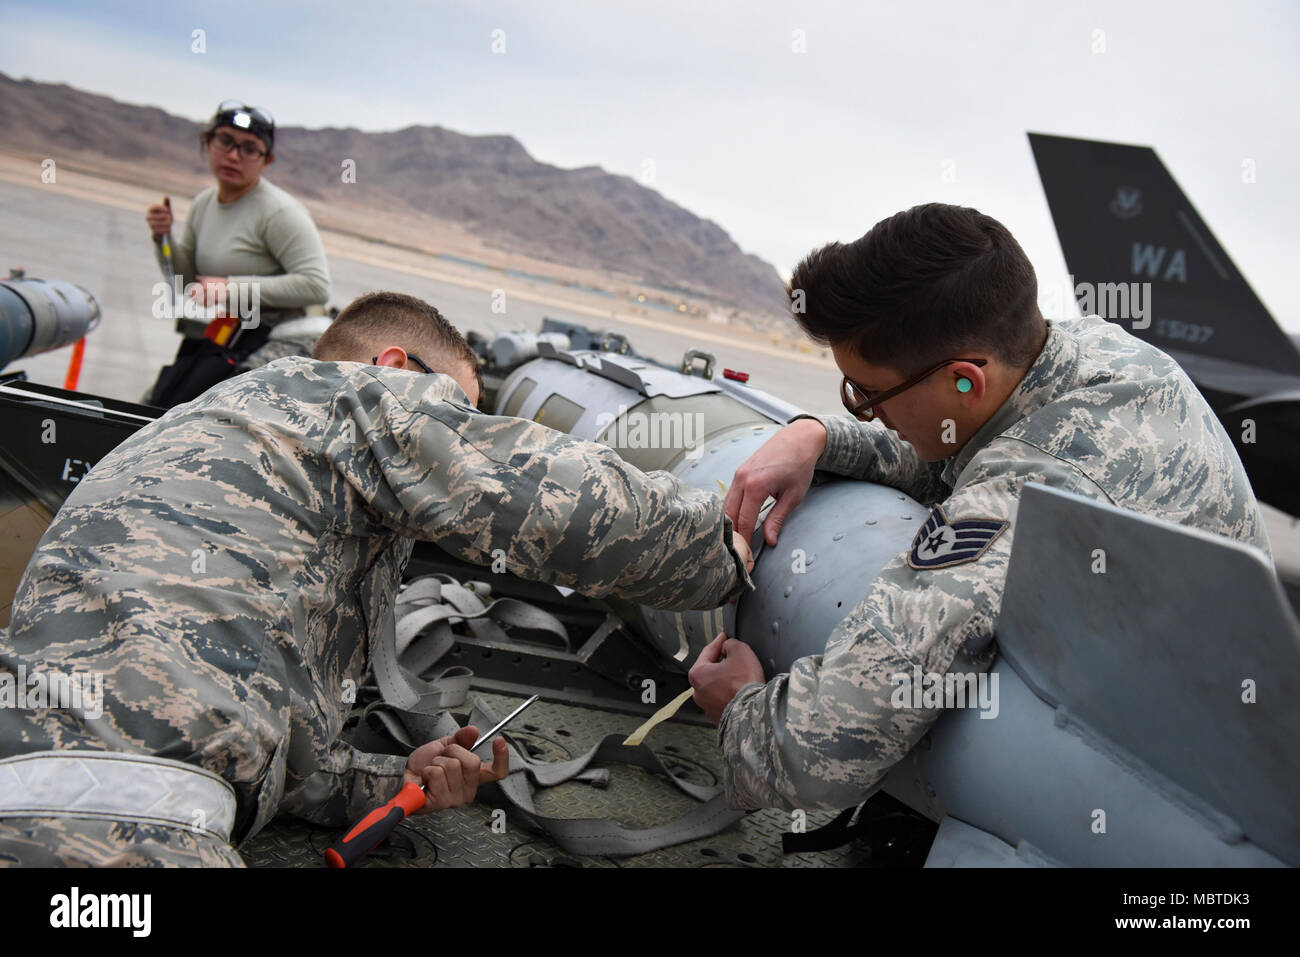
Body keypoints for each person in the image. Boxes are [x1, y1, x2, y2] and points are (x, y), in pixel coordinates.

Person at [0, 291, 753, 867]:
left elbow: (225, 718)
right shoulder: (351, 398)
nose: (453, 430)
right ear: (395, 367)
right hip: (123, 833)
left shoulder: (212, 428)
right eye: (456, 410)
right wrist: (725, 553)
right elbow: (557, 499)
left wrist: (393, 781)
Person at [689, 203, 1270, 813]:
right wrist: (822, 437)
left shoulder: (1033, 492)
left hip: (1190, 793)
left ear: (966, 380)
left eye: (869, 394)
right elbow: (962, 446)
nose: (868, 412)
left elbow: (819, 754)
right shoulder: (1095, 352)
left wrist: (741, 708)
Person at [143, 100, 331, 407]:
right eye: (225, 141)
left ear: (266, 160)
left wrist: (230, 288)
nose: (233, 155)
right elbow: (186, 282)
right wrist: (162, 238)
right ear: (208, 142)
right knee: (158, 404)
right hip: (232, 333)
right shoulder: (203, 204)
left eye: (249, 149)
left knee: (214, 413)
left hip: (283, 340)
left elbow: (316, 285)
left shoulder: (280, 212)